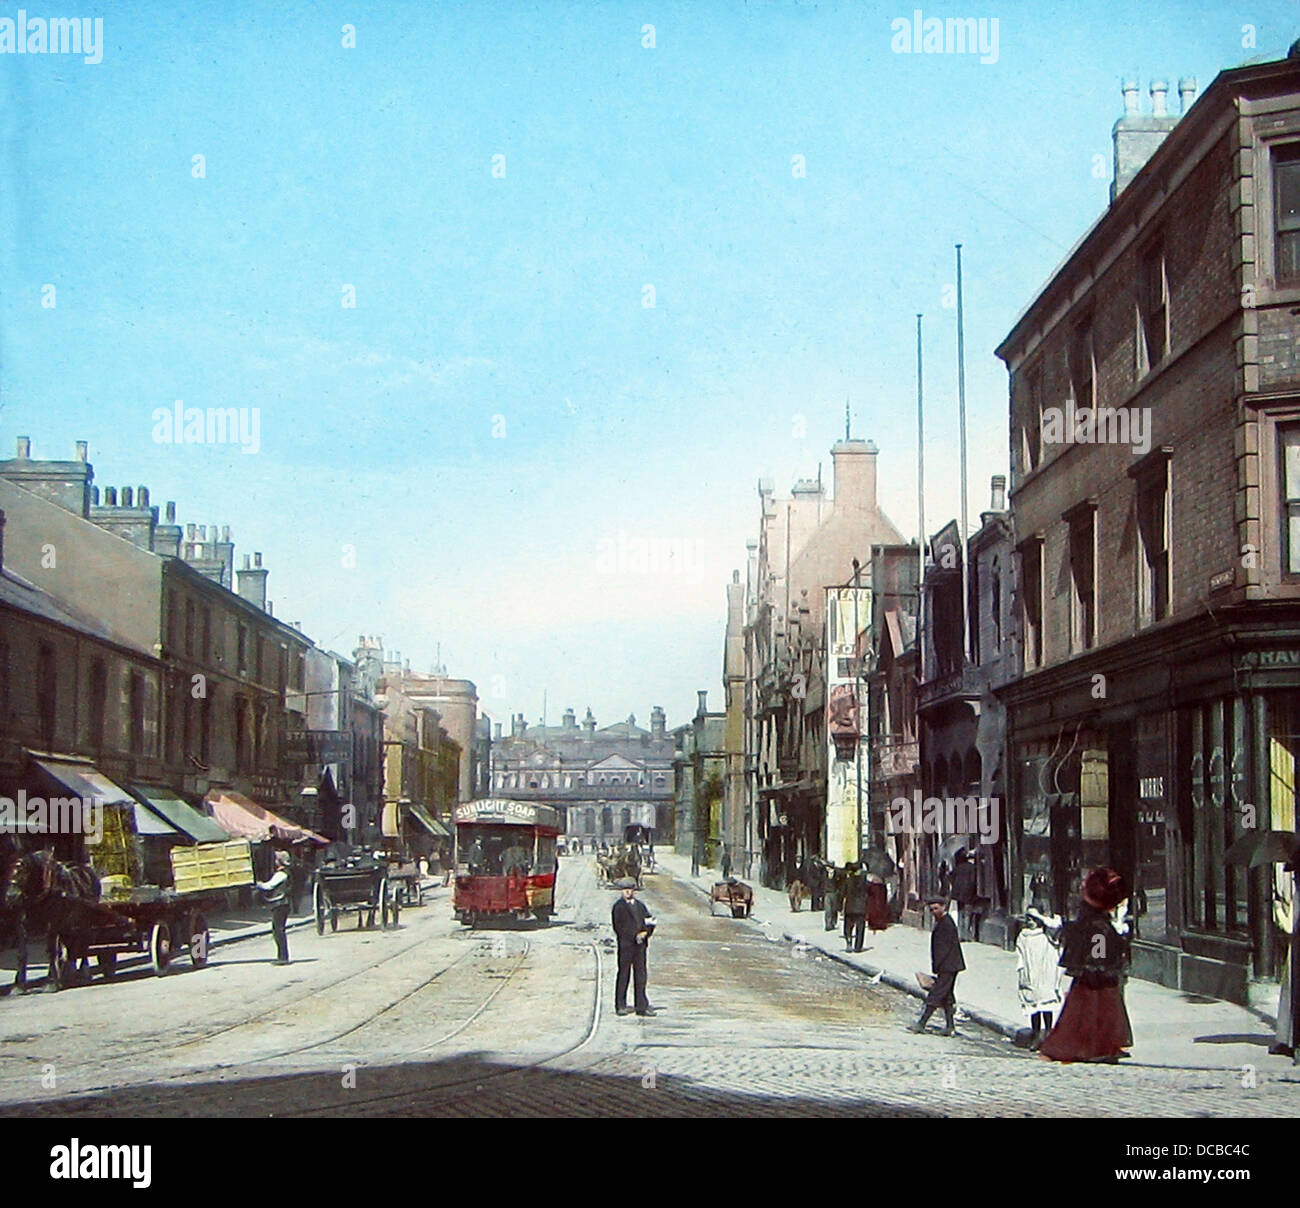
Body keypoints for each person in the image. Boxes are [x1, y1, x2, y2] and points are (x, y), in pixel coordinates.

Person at [1039, 867, 1134, 1064]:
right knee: (1096, 1012)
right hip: (1097, 978)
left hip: (1092, 976)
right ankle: (1095, 1047)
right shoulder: (1099, 926)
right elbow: (1098, 952)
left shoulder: (1092, 923)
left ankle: (1093, 1046)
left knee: (1086, 1013)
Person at [910, 895, 965, 1035]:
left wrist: (937, 966)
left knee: (936, 994)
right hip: (948, 965)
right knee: (947, 996)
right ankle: (950, 1026)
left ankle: (921, 1023)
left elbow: (944, 949)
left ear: (943, 907)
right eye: (932, 909)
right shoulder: (941, 922)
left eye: (936, 908)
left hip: (949, 965)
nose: (934, 911)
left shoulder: (946, 923)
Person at [1016, 908, 1064, 1049]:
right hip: (1031, 972)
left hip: (1045, 972)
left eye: (1033, 919)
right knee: (1033, 1004)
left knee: (1046, 1002)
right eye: (1028, 919)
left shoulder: (1047, 933)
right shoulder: (1023, 936)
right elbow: (1020, 955)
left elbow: (1057, 926)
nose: (1030, 922)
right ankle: (1036, 1033)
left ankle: (1048, 1033)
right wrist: (1021, 971)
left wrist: (1041, 917)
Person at [611, 877, 656, 1016]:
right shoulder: (618, 907)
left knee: (641, 975)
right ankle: (620, 1006)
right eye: (625, 890)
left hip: (640, 947)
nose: (628, 893)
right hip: (626, 946)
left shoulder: (640, 906)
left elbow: (650, 921)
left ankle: (641, 1006)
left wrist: (645, 934)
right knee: (624, 975)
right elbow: (618, 927)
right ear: (621, 892)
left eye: (630, 890)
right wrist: (633, 936)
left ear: (634, 891)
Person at [255, 850, 293, 966]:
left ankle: (283, 957)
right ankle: (282, 956)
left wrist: (257, 884)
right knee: (279, 930)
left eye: (277, 859)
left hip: (280, 904)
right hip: (283, 904)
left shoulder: (281, 874)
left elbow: (269, 886)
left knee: (278, 931)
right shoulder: (286, 872)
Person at [842, 862, 869, 952]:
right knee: (860, 928)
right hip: (861, 908)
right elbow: (869, 893)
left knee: (848, 926)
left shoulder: (848, 881)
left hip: (849, 907)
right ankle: (858, 947)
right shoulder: (864, 881)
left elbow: (842, 893)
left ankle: (849, 942)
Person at [951, 850, 978, 941]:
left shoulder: (958, 868)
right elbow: (973, 881)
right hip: (969, 893)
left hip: (958, 894)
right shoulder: (972, 868)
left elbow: (951, 877)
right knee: (967, 914)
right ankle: (966, 935)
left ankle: (960, 934)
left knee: (960, 913)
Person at [824, 862, 841, 932]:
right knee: (828, 910)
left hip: (834, 893)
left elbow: (840, 883)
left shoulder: (837, 874)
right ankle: (828, 924)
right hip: (827, 893)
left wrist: (838, 891)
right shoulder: (824, 874)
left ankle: (833, 922)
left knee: (834, 909)